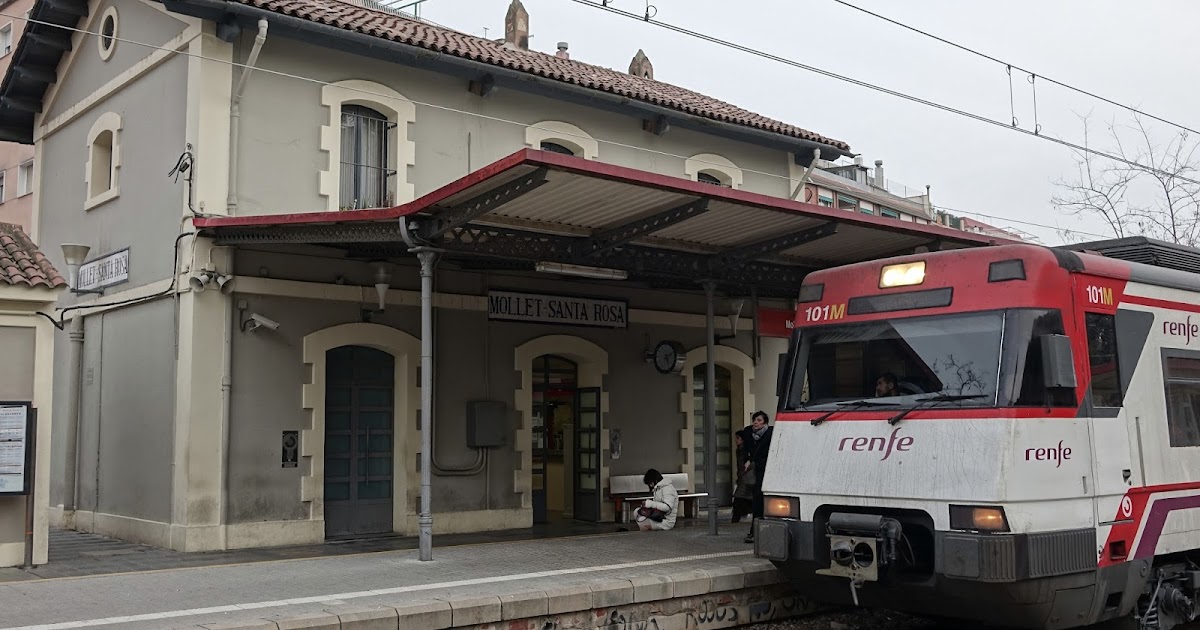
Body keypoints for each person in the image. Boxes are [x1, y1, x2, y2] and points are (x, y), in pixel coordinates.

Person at [744, 411, 773, 543]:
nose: (756, 422)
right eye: (755, 420)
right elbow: (747, 451)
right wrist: (748, 460)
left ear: (765, 422)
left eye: (759, 420)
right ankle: (754, 531)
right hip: (756, 472)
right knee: (757, 501)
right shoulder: (749, 434)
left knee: (766, 502)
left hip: (768, 470)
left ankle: (762, 531)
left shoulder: (770, 434)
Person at [731, 428, 754, 523]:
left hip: (747, 479)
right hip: (744, 479)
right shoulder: (740, 450)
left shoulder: (745, 450)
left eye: (738, 438)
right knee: (743, 500)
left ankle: (736, 519)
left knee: (739, 500)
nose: (736, 440)